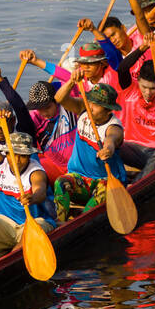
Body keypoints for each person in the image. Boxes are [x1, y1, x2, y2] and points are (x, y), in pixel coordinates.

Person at [0, 130, 57, 261]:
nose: (18, 161)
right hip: (5, 223)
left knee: (34, 231)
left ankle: (8, 261)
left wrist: (32, 198)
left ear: (29, 156)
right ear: (7, 153)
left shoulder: (36, 172)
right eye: (14, 155)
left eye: (23, 156)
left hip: (32, 223)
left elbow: (40, 191)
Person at [53, 81, 127, 216]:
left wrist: (108, 149)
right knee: (60, 182)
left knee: (103, 191)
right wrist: (71, 81)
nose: (91, 107)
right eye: (91, 101)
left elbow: (111, 139)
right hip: (80, 179)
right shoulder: (83, 108)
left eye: (97, 105)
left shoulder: (114, 127)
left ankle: (83, 219)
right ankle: (60, 223)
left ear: (109, 110)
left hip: (105, 181)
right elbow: (59, 98)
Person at [116, 59, 155, 173]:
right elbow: (122, 69)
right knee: (111, 144)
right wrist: (143, 48)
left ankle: (135, 186)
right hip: (134, 148)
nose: (147, 92)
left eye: (153, 88)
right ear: (138, 80)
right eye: (144, 87)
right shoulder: (131, 89)